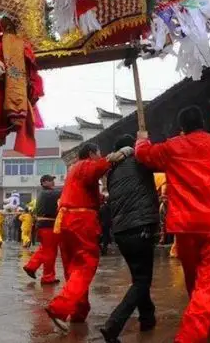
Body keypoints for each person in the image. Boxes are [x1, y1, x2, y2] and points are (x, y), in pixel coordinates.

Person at [135, 108, 210, 343]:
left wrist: (142, 140)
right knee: (209, 281)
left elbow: (145, 155)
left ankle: (209, 319)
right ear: (203, 123)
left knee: (195, 280)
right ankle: (190, 335)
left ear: (182, 128)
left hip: (184, 226)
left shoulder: (172, 147)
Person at [45, 143, 122, 332]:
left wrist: (101, 198)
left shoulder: (74, 171)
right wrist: (111, 158)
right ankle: (60, 307)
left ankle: (78, 312)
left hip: (67, 220)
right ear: (90, 154)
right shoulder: (85, 165)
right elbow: (94, 168)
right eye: (99, 153)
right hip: (81, 220)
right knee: (86, 264)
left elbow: (86, 190)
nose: (100, 156)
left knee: (73, 268)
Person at [100, 135, 160, 343]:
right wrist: (144, 143)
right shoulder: (140, 160)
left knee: (138, 276)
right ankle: (113, 324)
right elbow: (154, 159)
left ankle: (147, 317)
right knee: (142, 280)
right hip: (141, 225)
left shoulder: (112, 172)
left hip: (121, 231)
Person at [23, 174, 61, 284]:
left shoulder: (45, 193)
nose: (53, 182)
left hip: (44, 225)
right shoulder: (48, 193)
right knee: (50, 252)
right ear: (44, 182)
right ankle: (47, 277)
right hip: (48, 225)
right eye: (50, 180)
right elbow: (61, 193)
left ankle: (31, 266)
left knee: (45, 250)